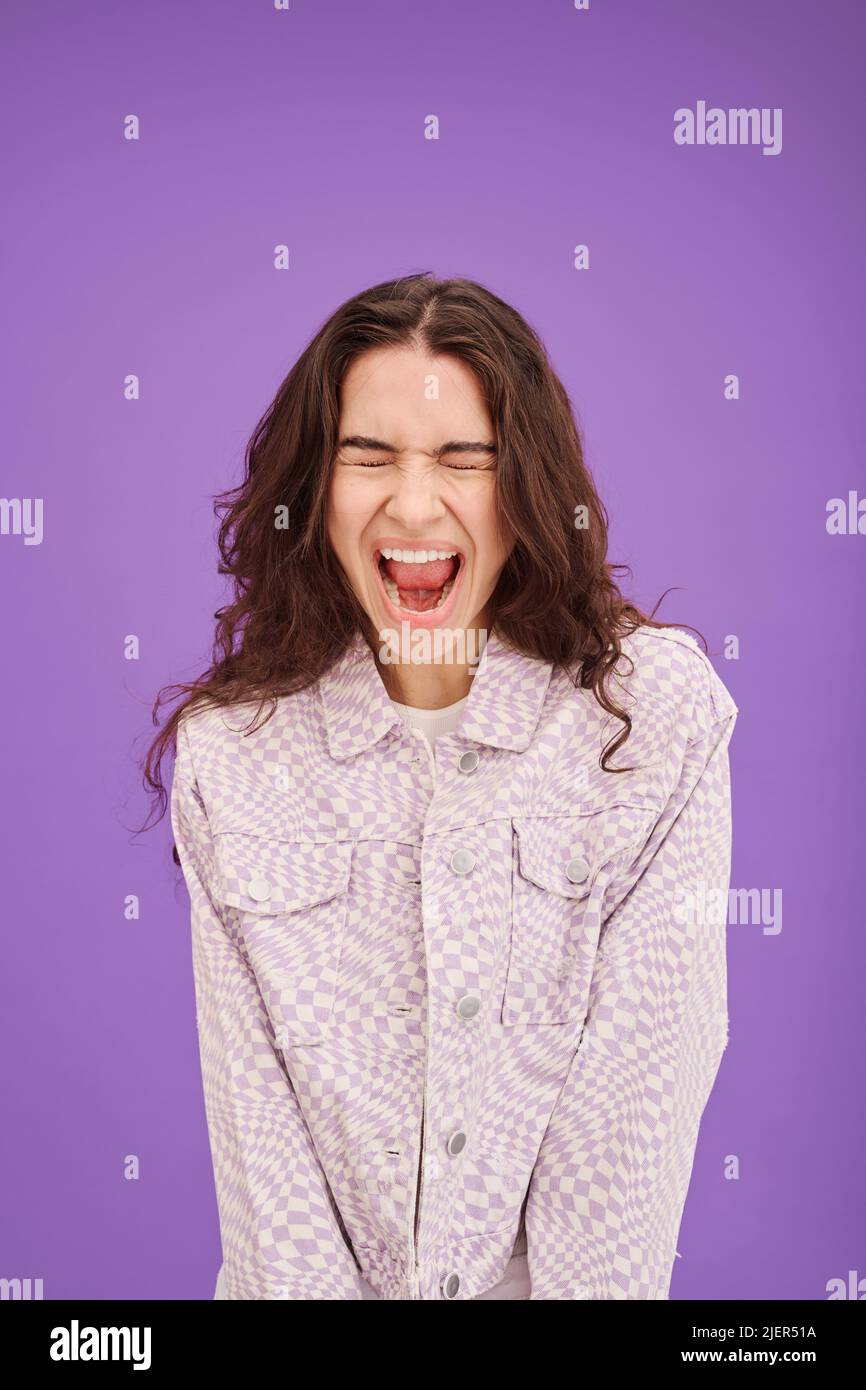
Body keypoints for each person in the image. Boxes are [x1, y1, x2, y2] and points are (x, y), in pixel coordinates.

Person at [144, 273, 738, 1300]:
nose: (412, 503)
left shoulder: (655, 718)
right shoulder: (233, 752)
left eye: (465, 461)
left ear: (528, 488)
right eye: (366, 456)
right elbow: (263, 1165)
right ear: (312, 488)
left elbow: (628, 1127)